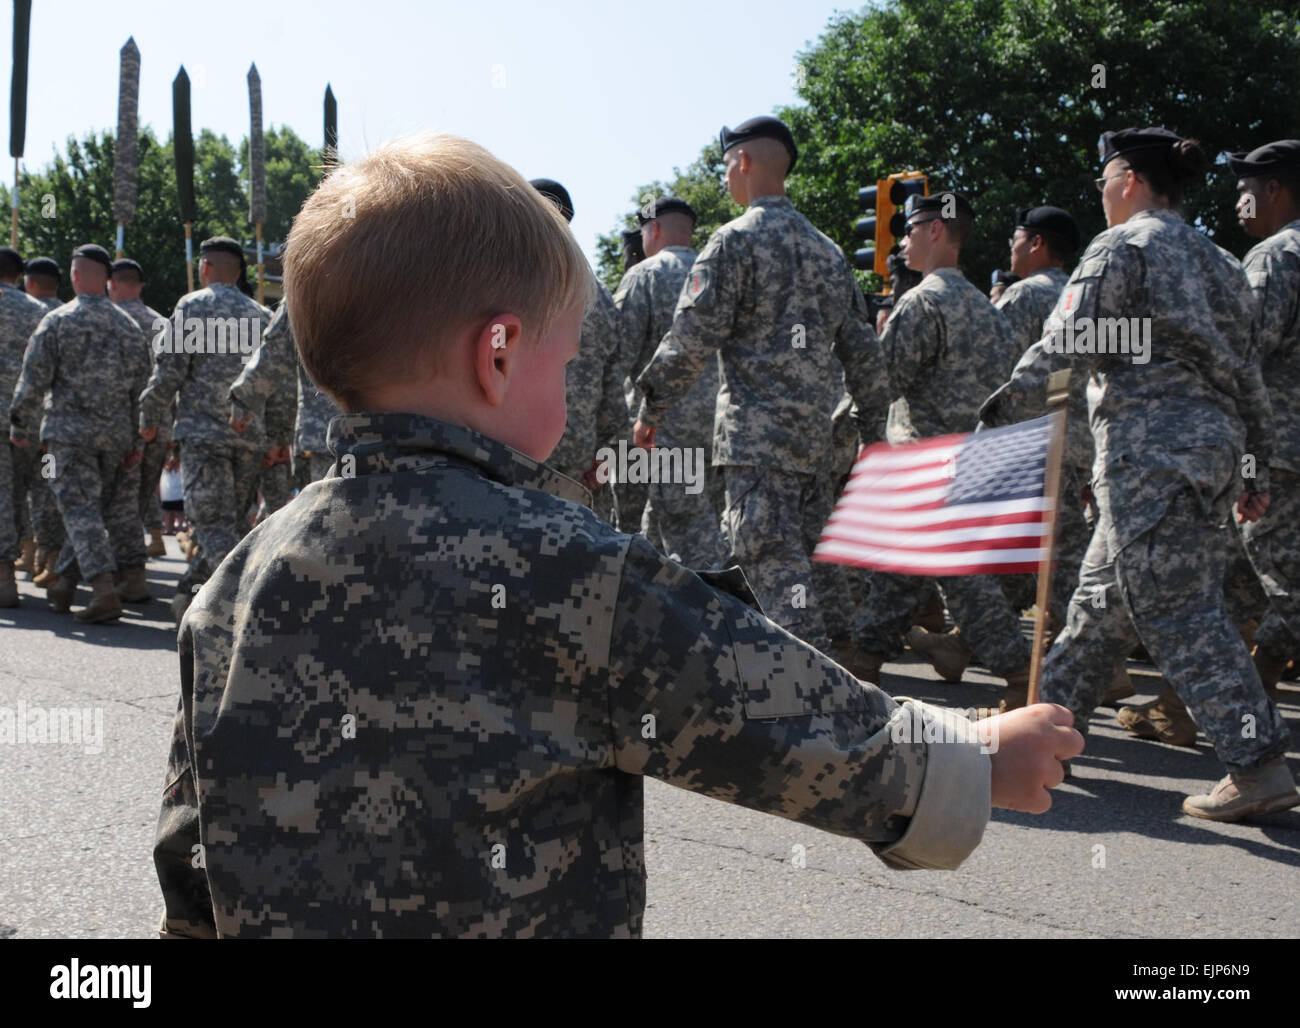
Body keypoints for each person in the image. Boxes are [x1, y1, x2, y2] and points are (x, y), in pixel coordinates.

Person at [149, 132, 1081, 938]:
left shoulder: (234, 584)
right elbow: (776, 715)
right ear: (500, 354)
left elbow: (190, 860)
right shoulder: (572, 568)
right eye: (567, 354)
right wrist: (975, 757)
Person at [1030, 126, 1297, 821]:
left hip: (1149, 451)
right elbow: (1247, 374)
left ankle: (1258, 763)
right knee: (1098, 605)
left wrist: (997, 413)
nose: (1101, 193)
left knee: (1180, 611)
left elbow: (1069, 340)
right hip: (1206, 453)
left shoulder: (1123, 244)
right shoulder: (1219, 260)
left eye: (1104, 179)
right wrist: (1254, 466)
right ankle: (1034, 735)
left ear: (1129, 178)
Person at [634, 116, 890, 656]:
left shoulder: (734, 243)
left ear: (744, 161)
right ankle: (846, 671)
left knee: (773, 574)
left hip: (757, 447)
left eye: (727, 166)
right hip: (815, 447)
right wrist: (875, 429)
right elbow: (863, 351)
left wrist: (652, 405)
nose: (726, 177)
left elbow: (692, 337)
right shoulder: (829, 251)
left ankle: (822, 702)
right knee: (815, 571)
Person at [853, 191, 1033, 701]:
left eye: (910, 231)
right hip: (976, 461)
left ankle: (1021, 673)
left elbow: (880, 383)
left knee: (960, 581)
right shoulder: (990, 312)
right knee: (901, 570)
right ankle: (863, 660)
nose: (904, 241)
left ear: (934, 231)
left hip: (926, 463)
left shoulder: (923, 301)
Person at [8, 244, 151, 622]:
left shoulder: (57, 321)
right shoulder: (129, 326)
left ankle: (103, 590)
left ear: (74, 276)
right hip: (116, 439)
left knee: (79, 512)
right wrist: (137, 440)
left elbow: (33, 380)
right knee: (87, 514)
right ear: (106, 279)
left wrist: (20, 425)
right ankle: (64, 584)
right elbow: (143, 391)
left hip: (67, 438)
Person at [138, 237, 273, 622]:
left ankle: (245, 612)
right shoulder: (262, 316)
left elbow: (169, 371)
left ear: (205, 268)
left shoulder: (192, 307)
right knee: (228, 526)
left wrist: (149, 418)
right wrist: (278, 436)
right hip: (249, 436)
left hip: (203, 435)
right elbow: (275, 382)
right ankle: (193, 596)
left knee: (212, 526)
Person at [1228, 139, 1300, 697]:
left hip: (1277, 452)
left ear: (1274, 189)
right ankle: (1246, 687)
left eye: (1246, 187)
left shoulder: (1276, 258)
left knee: (1280, 581)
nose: (1238, 197)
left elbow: (1241, 356)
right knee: (1248, 578)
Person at [615, 196, 722, 567]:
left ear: (653, 229)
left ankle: (720, 618)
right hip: (723, 432)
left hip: (663, 432)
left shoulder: (645, 275)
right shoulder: (720, 275)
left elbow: (616, 357)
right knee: (669, 529)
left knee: (691, 538)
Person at [529, 178, 628, 526]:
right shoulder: (596, 291)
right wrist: (609, 457)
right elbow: (616, 388)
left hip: (517, 459)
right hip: (580, 470)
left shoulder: (507, 280)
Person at [108, 258, 170, 566]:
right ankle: (132, 566)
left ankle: (125, 570)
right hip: (160, 423)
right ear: (141, 286)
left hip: (122, 425)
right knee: (143, 496)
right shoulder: (162, 323)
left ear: (112, 284)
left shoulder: (110, 320)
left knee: (119, 501)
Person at [0, 246, 50, 606]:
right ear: (20, 276)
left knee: (3, 497)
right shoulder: (42, 313)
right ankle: (44, 560)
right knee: (34, 494)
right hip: (31, 419)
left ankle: (4, 578)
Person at [997, 206, 1080, 357]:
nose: (1012, 248)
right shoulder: (1080, 292)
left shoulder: (1023, 293)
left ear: (1036, 243)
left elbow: (995, 359)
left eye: (1014, 240)